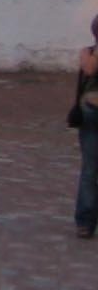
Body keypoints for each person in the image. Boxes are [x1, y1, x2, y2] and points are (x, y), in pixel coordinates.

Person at [75, 15, 98, 237]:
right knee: (90, 169)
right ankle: (85, 220)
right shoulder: (88, 53)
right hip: (91, 112)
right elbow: (89, 69)